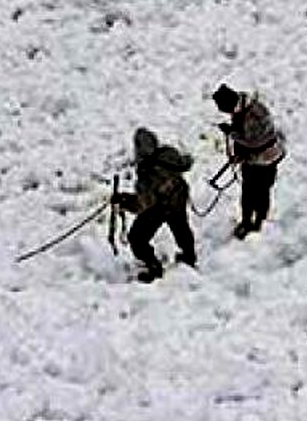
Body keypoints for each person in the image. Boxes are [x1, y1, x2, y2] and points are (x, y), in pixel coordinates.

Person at [111, 128, 196, 283]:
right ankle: (189, 256)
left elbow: (142, 204)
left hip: (160, 207)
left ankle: (153, 266)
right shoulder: (169, 153)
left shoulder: (147, 172)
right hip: (179, 197)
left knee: (137, 237)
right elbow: (186, 162)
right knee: (181, 228)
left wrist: (124, 201)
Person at [212, 84, 286, 239]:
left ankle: (252, 222)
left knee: (254, 192)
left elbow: (254, 142)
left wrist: (232, 133)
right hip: (261, 157)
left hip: (262, 160)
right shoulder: (246, 107)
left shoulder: (253, 115)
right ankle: (255, 219)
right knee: (259, 191)